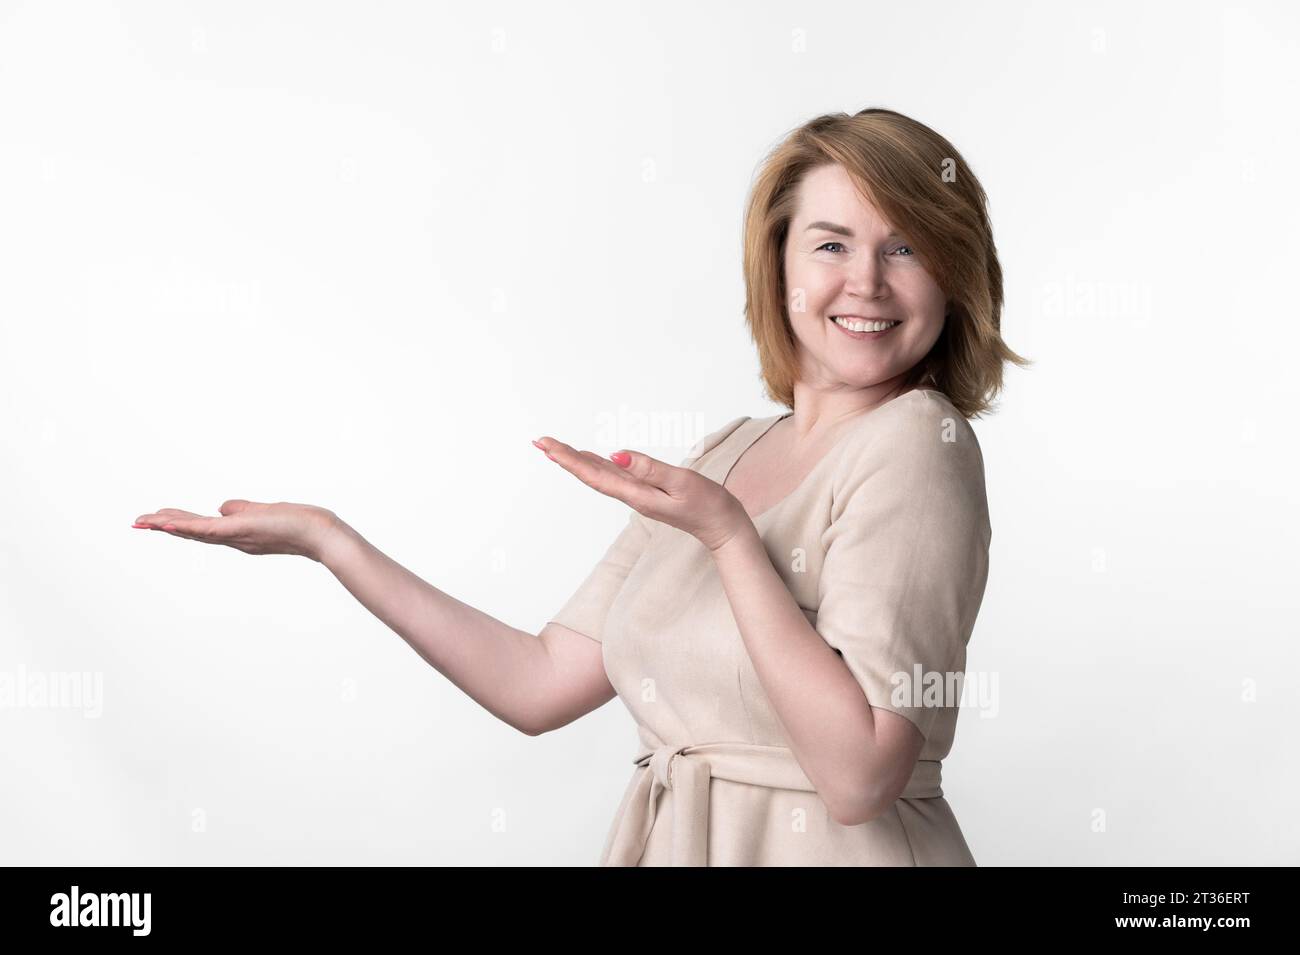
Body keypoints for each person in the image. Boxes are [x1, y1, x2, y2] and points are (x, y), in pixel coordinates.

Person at [133, 107, 1030, 866]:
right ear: (780, 265)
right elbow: (541, 682)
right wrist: (331, 542)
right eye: (831, 243)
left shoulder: (919, 441)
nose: (865, 280)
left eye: (905, 247)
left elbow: (859, 776)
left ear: (951, 277)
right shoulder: (726, 452)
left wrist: (730, 541)